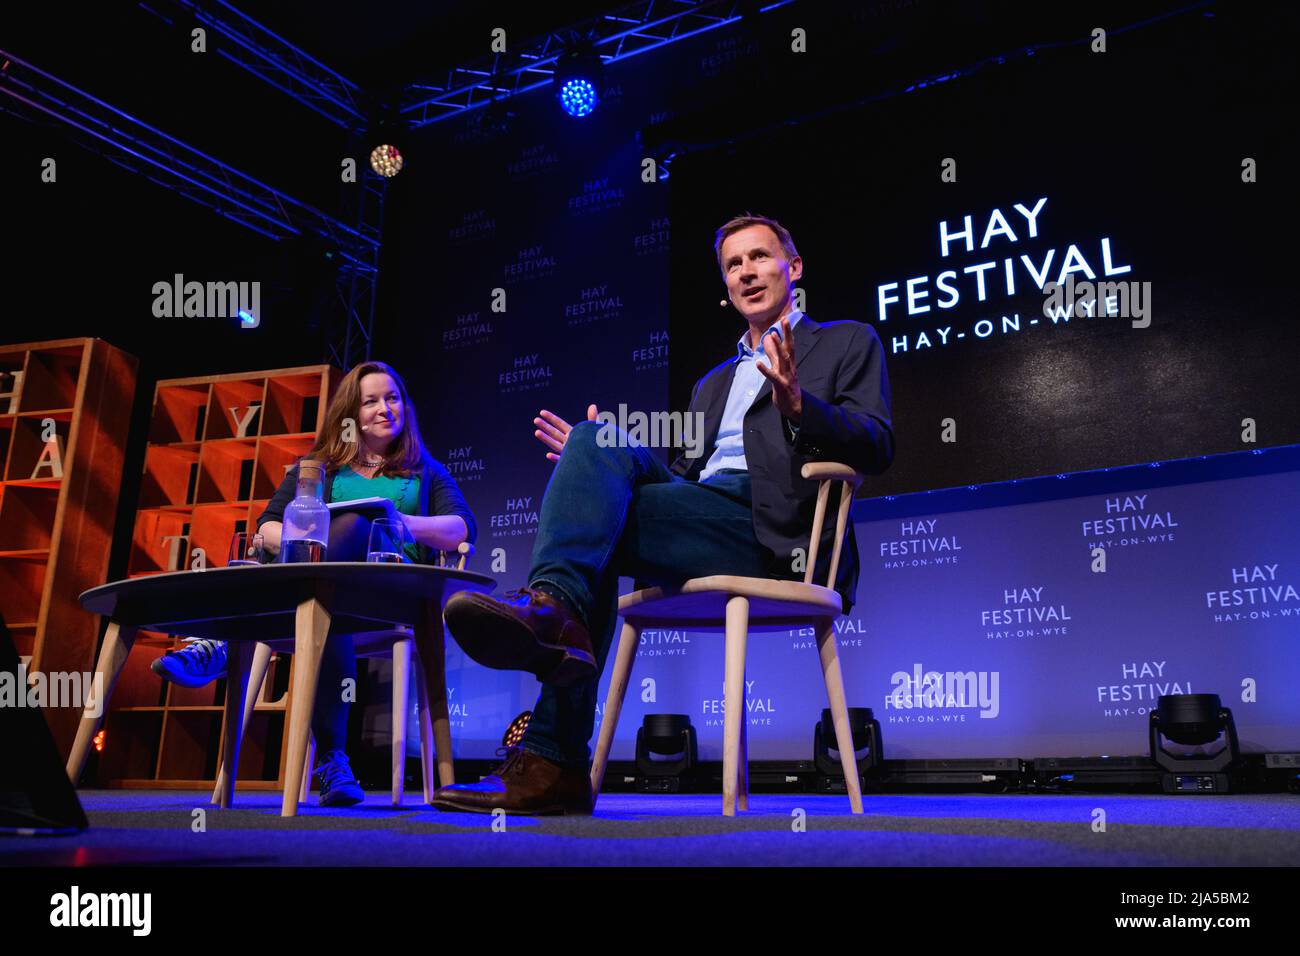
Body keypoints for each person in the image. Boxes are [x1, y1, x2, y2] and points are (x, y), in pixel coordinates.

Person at [434, 214, 894, 815]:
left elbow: (876, 445)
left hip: (777, 529)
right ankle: (556, 621)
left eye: (759, 257)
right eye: (734, 264)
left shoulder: (846, 342)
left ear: (794, 267)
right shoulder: (711, 383)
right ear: (725, 284)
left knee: (595, 527)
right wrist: (588, 459)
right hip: (705, 517)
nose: (747, 272)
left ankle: (554, 756)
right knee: (596, 442)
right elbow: (682, 484)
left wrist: (800, 405)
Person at [151, 360, 476, 806]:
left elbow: (460, 528)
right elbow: (265, 527)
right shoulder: (317, 467)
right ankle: (334, 764)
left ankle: (228, 640)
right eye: (371, 401)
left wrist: (399, 521)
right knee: (326, 597)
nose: (385, 408)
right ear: (350, 413)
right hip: (325, 595)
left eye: (393, 397)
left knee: (350, 539)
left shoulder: (425, 472)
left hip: (390, 596)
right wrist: (302, 535)